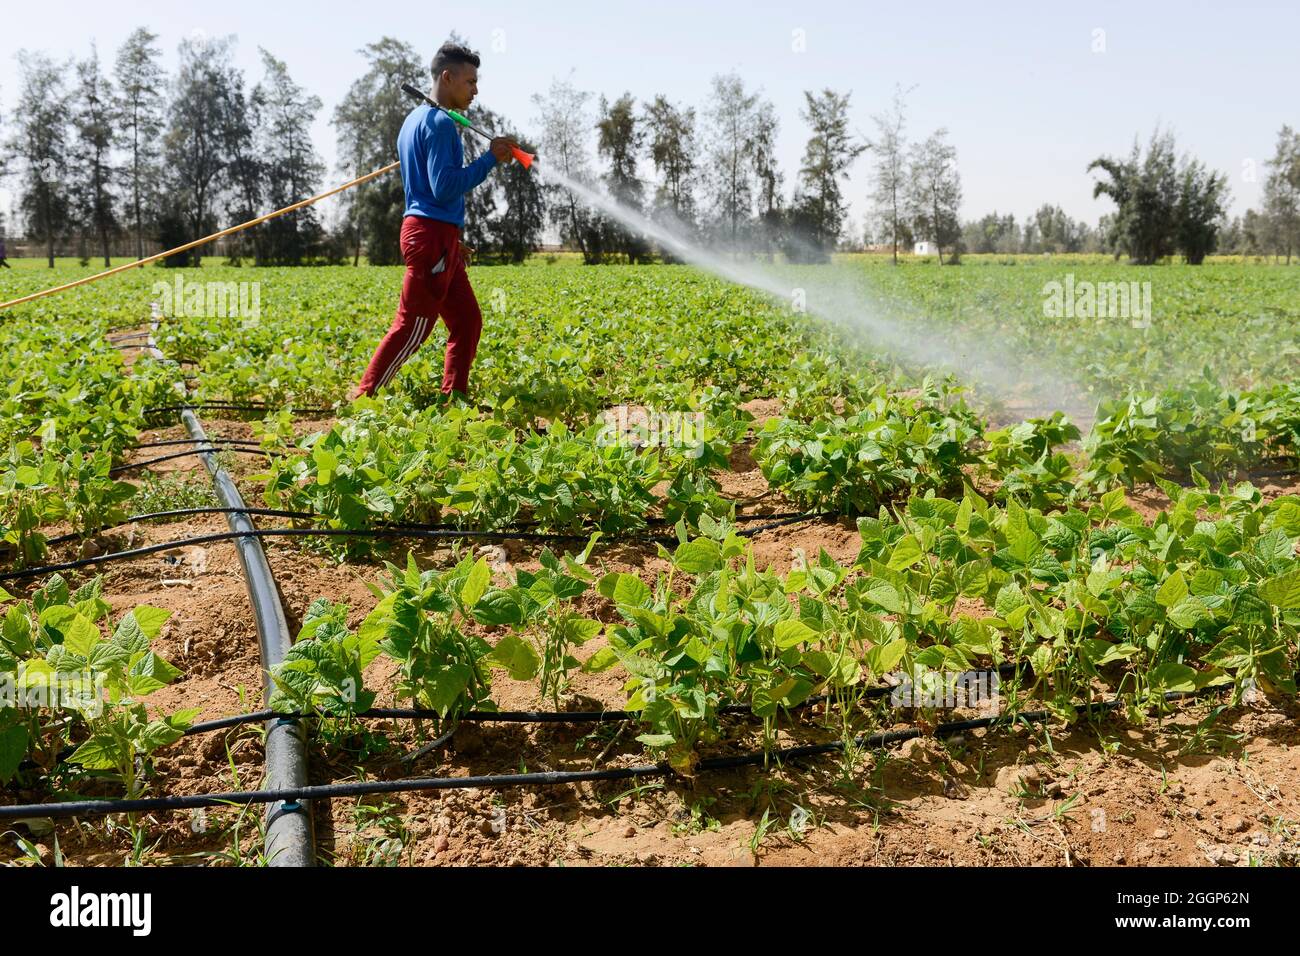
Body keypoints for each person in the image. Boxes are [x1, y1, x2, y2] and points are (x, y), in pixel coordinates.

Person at [348, 41, 518, 402]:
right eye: (470, 81)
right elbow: (443, 188)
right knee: (411, 327)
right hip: (429, 236)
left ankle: (453, 399)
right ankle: (364, 398)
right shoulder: (440, 124)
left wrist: (452, 238)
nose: (475, 89)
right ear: (447, 77)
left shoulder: (414, 120)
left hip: (438, 236)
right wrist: (489, 160)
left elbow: (428, 190)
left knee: (467, 321)